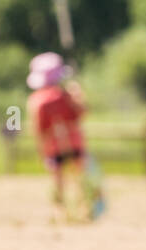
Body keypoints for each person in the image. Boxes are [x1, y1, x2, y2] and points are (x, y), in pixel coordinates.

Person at [26, 52, 95, 216]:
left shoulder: (38, 100)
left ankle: (61, 210)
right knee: (79, 179)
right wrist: (78, 95)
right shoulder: (68, 95)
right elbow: (82, 113)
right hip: (74, 142)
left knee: (58, 181)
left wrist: (40, 150)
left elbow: (38, 129)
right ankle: (84, 208)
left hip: (53, 145)